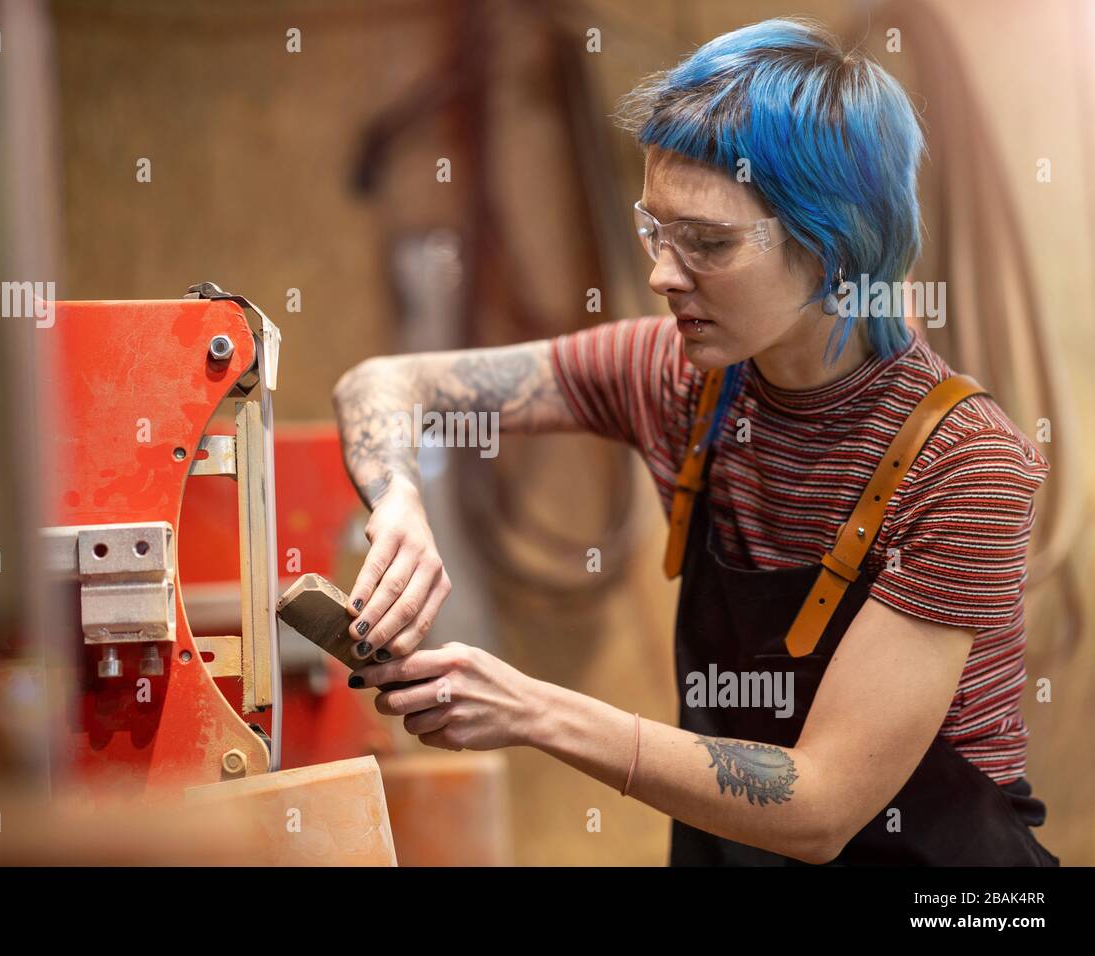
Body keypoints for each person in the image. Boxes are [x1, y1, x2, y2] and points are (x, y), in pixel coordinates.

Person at [330, 18, 1059, 865]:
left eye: (707, 243)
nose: (661, 274)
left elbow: (820, 806)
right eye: (656, 230)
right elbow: (381, 385)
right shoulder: (677, 375)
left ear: (836, 251)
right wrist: (399, 502)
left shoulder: (964, 465)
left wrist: (534, 711)